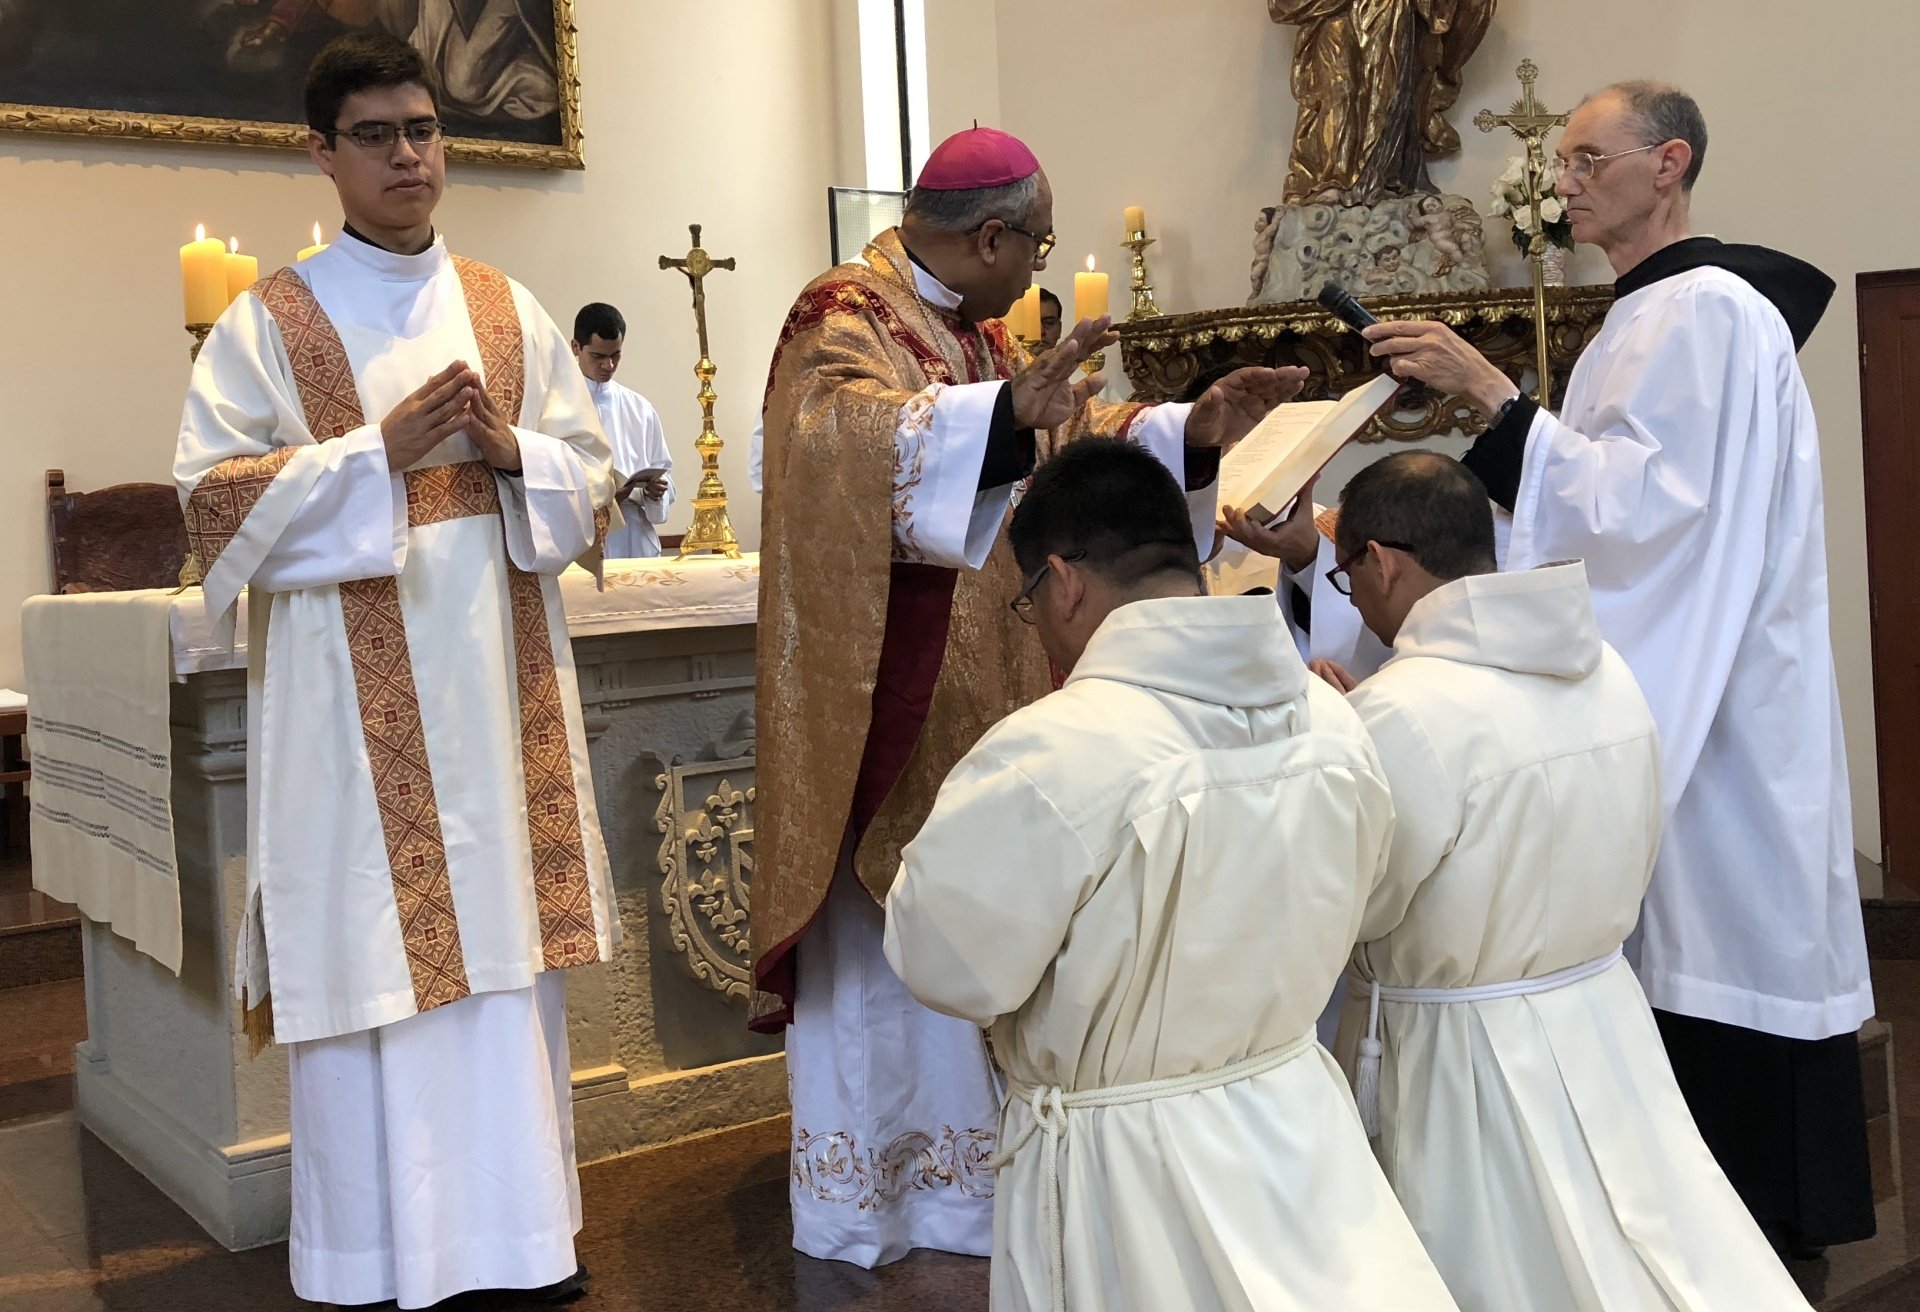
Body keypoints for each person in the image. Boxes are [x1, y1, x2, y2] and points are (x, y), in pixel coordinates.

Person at [751, 124, 1307, 1267]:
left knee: (991, 911)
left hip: (989, 674)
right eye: (1039, 244)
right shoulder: (839, 316)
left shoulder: (975, 330)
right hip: (884, 694)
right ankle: (879, 1200)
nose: (1042, 267)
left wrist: (1186, 431)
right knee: (885, 956)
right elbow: (833, 450)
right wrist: (1003, 417)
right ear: (991, 233)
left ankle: (977, 1183)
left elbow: (1066, 439)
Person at [1360, 80, 1875, 1258]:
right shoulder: (1651, 315)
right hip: (1711, 714)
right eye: (1567, 163)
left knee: (1724, 1035)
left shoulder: (1704, 311)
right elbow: (1607, 504)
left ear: (1670, 165)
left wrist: (1493, 397)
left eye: (1592, 158)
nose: (1565, 180)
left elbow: (1656, 515)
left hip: (1719, 741)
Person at [174, 34, 614, 1308]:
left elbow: (589, 482)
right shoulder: (272, 323)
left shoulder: (504, 305)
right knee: (386, 954)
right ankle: (382, 1261)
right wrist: (376, 452)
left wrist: (511, 445)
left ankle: (524, 1244)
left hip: (494, 681)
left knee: (501, 959)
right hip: (351, 723)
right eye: (378, 134)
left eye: (426, 129)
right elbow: (210, 504)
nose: (411, 154)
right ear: (323, 153)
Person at [885, 439, 1459, 1312]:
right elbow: (1369, 899)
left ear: (1062, 580)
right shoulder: (1332, 721)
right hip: (1297, 1123)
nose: (1037, 621)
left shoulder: (1054, 752)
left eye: (1028, 599)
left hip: (1130, 1170)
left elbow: (945, 964)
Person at [1325, 452, 1814, 1312]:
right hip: (1601, 1020)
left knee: (1507, 1269)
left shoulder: (1401, 711)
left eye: (1346, 573)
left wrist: (1336, 745)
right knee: (1646, 1246)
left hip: (1463, 1059)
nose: (1354, 597)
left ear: (1382, 561)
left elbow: (1356, 906)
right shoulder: (1605, 668)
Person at [573, 302, 675, 558]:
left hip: (635, 537)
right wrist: (604, 496)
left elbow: (663, 470)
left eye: (615, 355)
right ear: (576, 347)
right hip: (584, 538)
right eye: (598, 356)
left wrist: (656, 491)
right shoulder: (557, 406)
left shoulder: (640, 408)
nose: (608, 365)